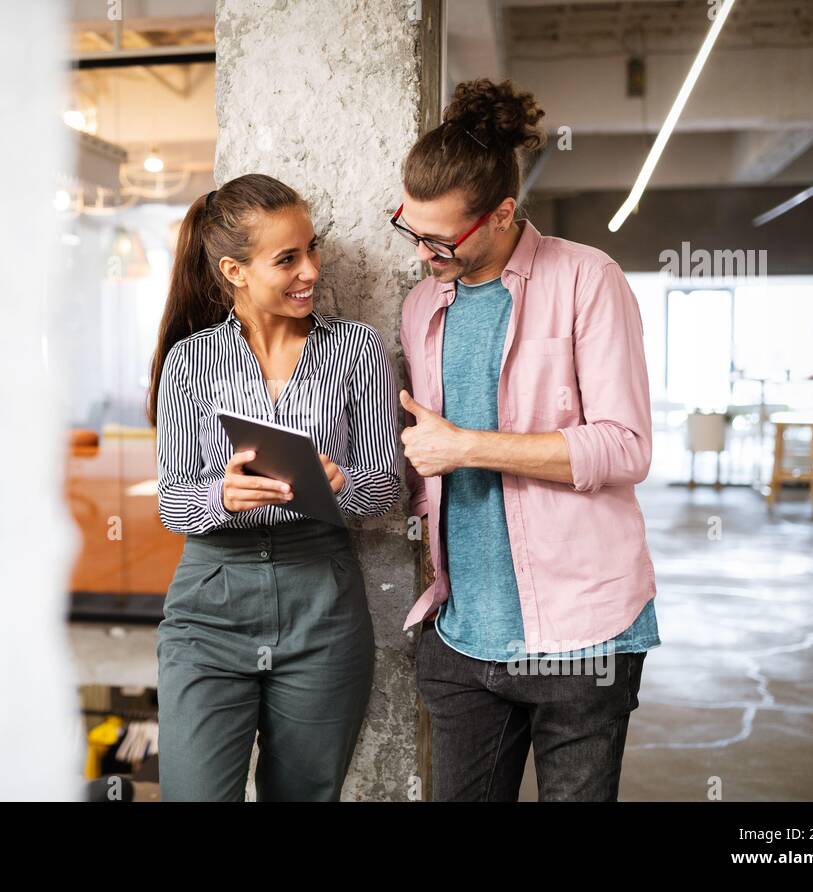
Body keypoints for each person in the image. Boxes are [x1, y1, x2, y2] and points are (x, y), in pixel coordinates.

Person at [395, 79, 661, 801]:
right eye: (408, 228)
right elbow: (431, 456)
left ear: (503, 213)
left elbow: (625, 446)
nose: (423, 253)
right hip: (462, 638)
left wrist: (468, 447)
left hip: (583, 635)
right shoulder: (424, 306)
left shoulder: (587, 280)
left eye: (440, 238)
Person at [148, 173, 400, 801]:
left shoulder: (356, 348)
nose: (311, 270)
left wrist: (341, 485)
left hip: (321, 600)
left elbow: (387, 489)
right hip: (210, 606)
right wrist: (220, 497)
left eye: (311, 249)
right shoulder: (188, 362)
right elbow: (174, 502)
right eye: (287, 259)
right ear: (234, 270)